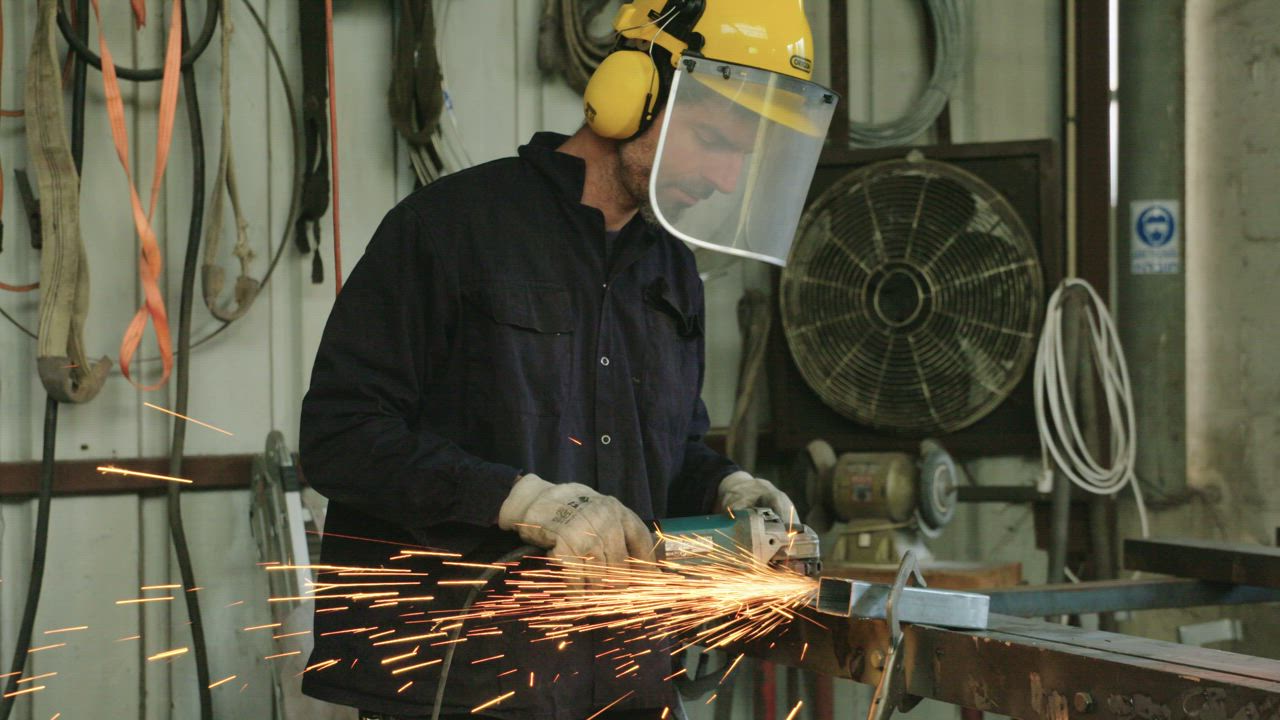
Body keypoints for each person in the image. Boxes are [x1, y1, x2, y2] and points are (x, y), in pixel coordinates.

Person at [297, 1, 836, 718]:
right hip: (464, 684)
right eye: (711, 140)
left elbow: (667, 451)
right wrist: (520, 502)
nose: (727, 179)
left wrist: (728, 488)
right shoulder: (451, 228)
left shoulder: (669, 271)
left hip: (622, 687)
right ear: (628, 95)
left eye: (744, 155)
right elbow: (340, 438)